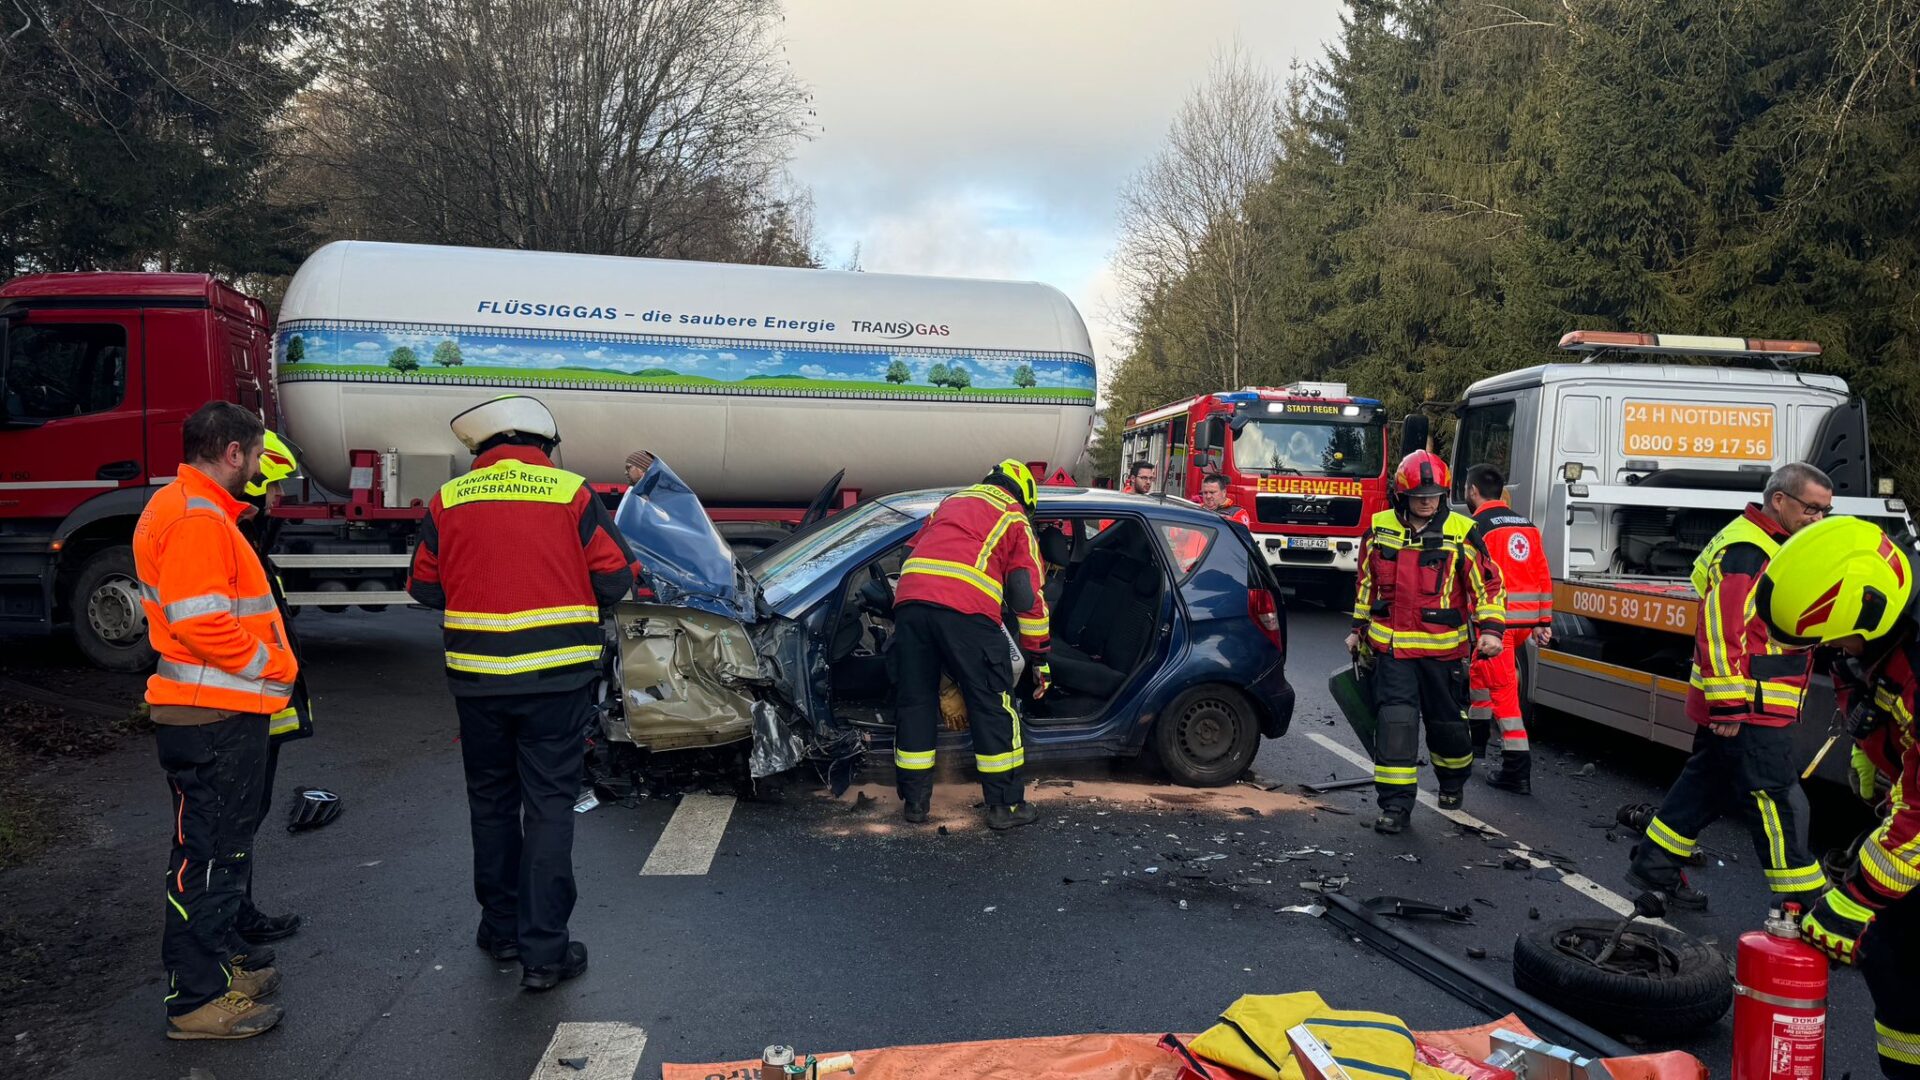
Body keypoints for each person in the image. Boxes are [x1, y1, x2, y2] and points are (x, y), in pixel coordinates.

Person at [406, 395, 636, 991]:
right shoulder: (570, 493)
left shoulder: (449, 498)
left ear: (481, 449)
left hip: (477, 682)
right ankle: (544, 954)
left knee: (490, 804)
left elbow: (424, 588)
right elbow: (615, 577)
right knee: (550, 807)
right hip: (557, 683)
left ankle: (501, 929)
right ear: (544, 447)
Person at [134, 401, 297, 1040]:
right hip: (214, 714)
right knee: (208, 861)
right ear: (232, 451)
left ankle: (217, 976)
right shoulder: (197, 520)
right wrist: (272, 667)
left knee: (214, 854)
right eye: (256, 456)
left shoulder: (187, 509)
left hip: (211, 712)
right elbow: (200, 622)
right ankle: (196, 1000)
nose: (259, 467)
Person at [1624, 462, 1834, 913]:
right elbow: (1721, 630)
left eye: (1825, 513)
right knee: (1776, 797)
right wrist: (1728, 707)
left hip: (1752, 702)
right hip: (1749, 705)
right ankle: (1806, 896)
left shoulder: (1771, 543)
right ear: (1780, 500)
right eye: (1812, 509)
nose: (1817, 520)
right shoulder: (1748, 548)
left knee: (1706, 786)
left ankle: (1654, 866)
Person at [1753, 515, 1919, 1080]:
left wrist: (1858, 899)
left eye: (1836, 638)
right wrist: (1872, 749)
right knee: (1893, 961)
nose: (1833, 651)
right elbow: (1863, 679)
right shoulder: (1879, 630)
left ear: (1868, 613)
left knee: (1891, 937)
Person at [1346, 450, 1505, 835]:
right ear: (1402, 494)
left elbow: (1488, 584)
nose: (1427, 501)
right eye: (1419, 495)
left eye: (1433, 495)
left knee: (1448, 730)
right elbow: (1366, 583)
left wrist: (1491, 630)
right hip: (1393, 652)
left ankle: (1452, 782)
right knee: (1394, 727)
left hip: (1442, 653)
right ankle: (1396, 807)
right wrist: (1358, 628)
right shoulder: (1380, 527)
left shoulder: (1462, 531)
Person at [891, 459, 1052, 830]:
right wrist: (1039, 655)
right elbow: (1026, 596)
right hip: (967, 612)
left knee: (915, 701)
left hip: (912, 604)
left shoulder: (951, 502)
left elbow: (908, 553)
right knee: (992, 704)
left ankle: (915, 804)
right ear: (1025, 494)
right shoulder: (1014, 516)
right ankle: (1006, 807)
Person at [231, 432, 312, 948]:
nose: (278, 500)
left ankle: (241, 914)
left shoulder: (247, 540)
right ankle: (230, 932)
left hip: (256, 705)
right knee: (229, 825)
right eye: (272, 484)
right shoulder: (231, 538)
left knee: (243, 821)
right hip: (237, 707)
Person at [1463, 463, 1554, 793]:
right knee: (1479, 674)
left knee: (1503, 693)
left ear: (1472, 491)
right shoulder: (1527, 525)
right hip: (1523, 623)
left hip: (1495, 624)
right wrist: (1544, 622)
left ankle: (1516, 771)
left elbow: (1468, 576)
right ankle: (1475, 744)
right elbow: (1542, 574)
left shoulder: (1477, 526)